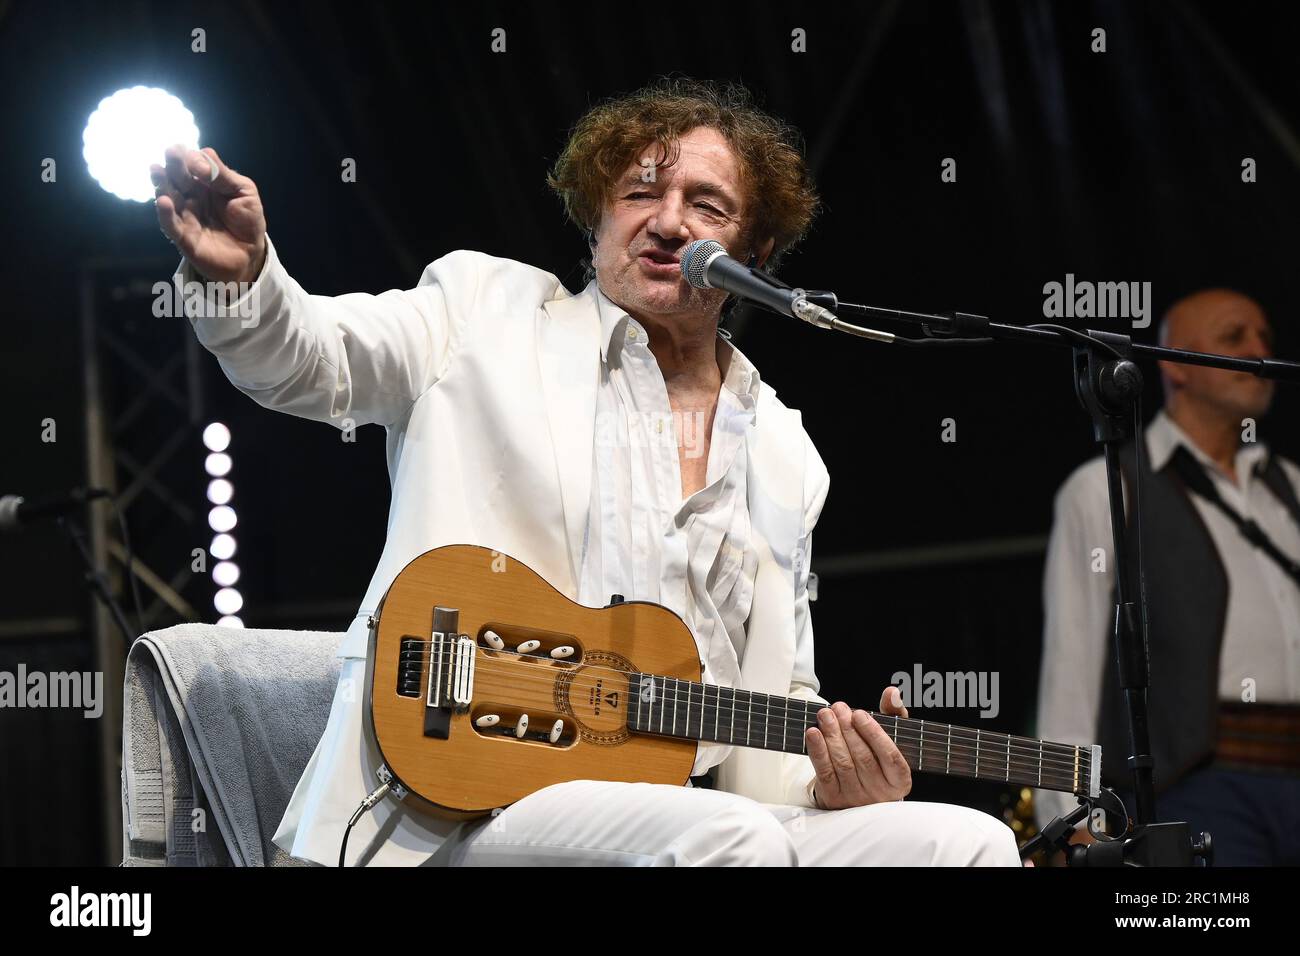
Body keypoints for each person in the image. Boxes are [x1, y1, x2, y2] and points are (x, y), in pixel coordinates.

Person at [153, 76, 1019, 866]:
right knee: (733, 841)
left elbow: (776, 698)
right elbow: (312, 360)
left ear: (753, 254)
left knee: (965, 842)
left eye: (706, 205)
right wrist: (245, 283)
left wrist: (830, 775)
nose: (670, 221)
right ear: (598, 218)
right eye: (641, 192)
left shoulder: (784, 450)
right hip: (460, 808)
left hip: (695, 815)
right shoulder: (482, 314)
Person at [1035, 289, 1300, 865]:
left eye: (1265, 341)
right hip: (1199, 785)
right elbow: (1073, 666)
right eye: (1235, 339)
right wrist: (1068, 817)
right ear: (1177, 364)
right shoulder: (1109, 488)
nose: (1259, 351)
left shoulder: (1293, 490)